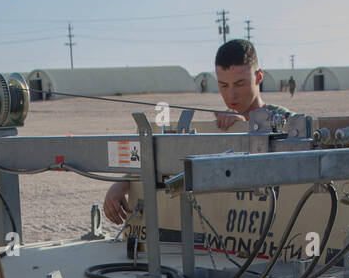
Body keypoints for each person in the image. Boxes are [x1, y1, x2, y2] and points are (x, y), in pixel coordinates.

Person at [101, 39, 295, 225]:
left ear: (258, 77)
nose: (231, 95)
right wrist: (123, 183)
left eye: (239, 84)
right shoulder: (217, 128)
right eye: (223, 85)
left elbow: (299, 161)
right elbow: (170, 158)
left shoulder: (286, 119)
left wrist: (245, 126)